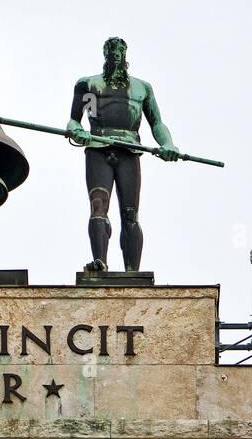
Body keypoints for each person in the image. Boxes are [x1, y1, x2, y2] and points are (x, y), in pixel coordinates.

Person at [68, 37, 178, 273]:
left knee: (130, 213)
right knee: (98, 206)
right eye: (111, 50)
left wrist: (168, 144)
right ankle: (100, 262)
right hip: (98, 147)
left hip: (129, 150)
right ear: (105, 53)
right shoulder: (89, 85)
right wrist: (77, 131)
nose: (116, 54)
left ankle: (132, 272)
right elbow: (75, 121)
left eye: (120, 50)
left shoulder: (142, 88)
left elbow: (157, 123)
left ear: (125, 54)